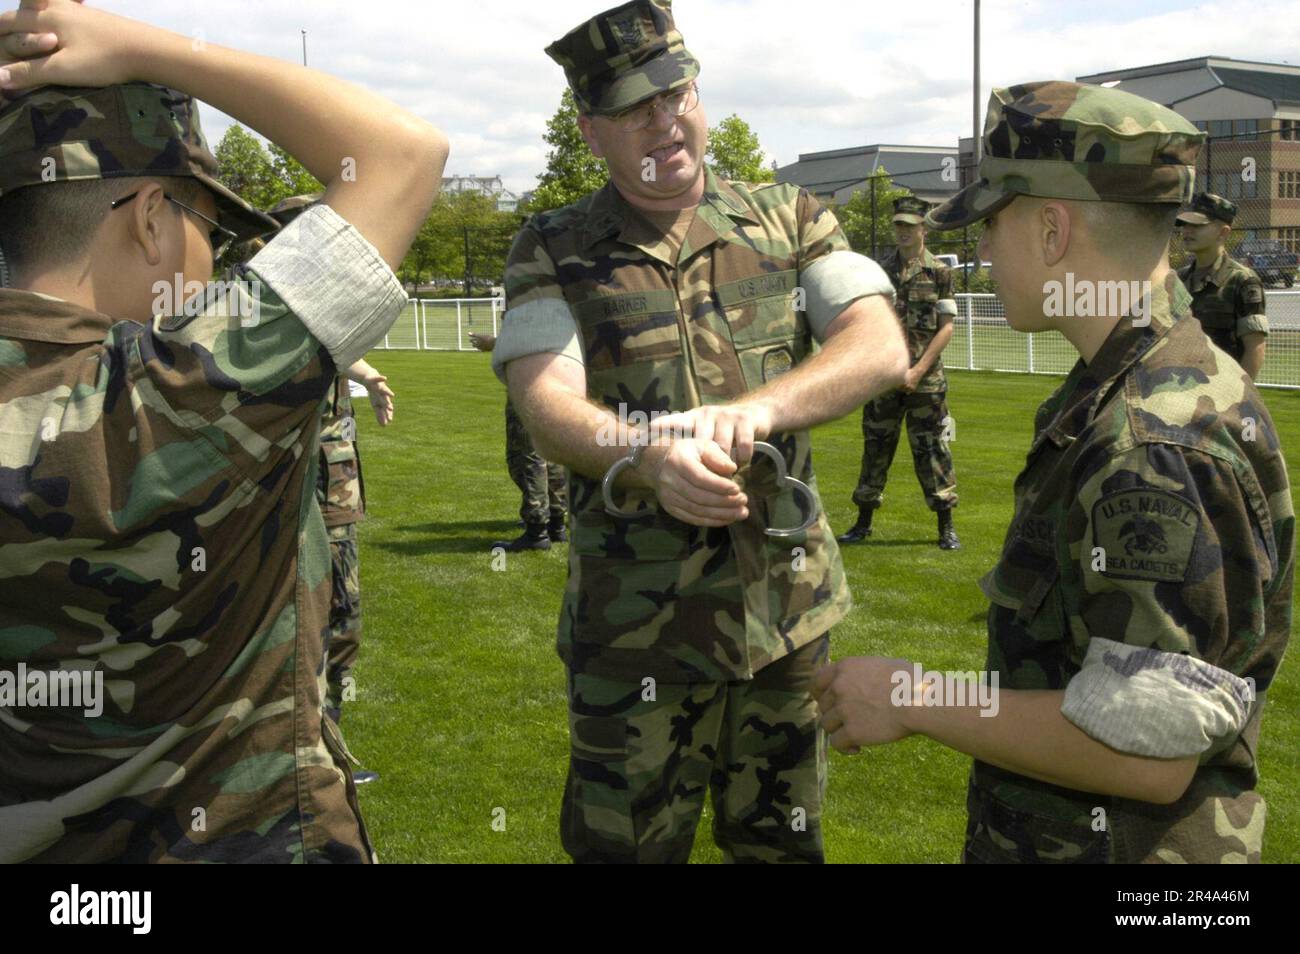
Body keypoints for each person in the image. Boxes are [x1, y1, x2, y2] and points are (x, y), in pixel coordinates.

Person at [0, 0, 447, 862]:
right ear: (150, 217)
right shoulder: (182, 392)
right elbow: (399, 153)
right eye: (208, 227)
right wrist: (142, 45)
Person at [814, 81, 1293, 863]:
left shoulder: (1149, 437)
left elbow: (1147, 748)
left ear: (1049, 228)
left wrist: (912, 697)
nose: (985, 251)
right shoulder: (1137, 382)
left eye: (991, 224)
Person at [493, 0, 907, 863]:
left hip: (785, 620)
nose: (664, 118)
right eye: (634, 108)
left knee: (783, 849)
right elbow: (546, 402)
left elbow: (878, 345)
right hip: (636, 631)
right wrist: (645, 455)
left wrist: (759, 409)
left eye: (676, 91)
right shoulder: (552, 247)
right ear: (591, 131)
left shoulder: (789, 216)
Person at [268, 195, 394, 787]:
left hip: (336, 503)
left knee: (344, 625)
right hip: (299, 507)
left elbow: (334, 341)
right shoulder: (265, 319)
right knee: (304, 628)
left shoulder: (315, 317)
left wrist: (365, 373)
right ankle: (303, 757)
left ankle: (327, 749)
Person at [839, 195, 960, 549]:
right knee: (875, 448)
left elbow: (947, 327)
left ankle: (945, 527)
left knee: (933, 452)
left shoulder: (939, 271)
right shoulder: (879, 271)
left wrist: (918, 370)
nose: (903, 231)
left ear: (924, 228)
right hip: (883, 379)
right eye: (898, 225)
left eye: (910, 225)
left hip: (926, 382)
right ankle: (862, 523)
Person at [469, 331, 569, 551]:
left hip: (531, 380)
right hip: (555, 377)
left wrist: (494, 343)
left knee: (526, 457)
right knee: (549, 454)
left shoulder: (535, 299)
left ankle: (537, 530)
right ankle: (556, 523)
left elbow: (530, 338)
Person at [1176, 192, 1267, 380]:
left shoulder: (1242, 281)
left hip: (1223, 394)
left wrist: (1241, 397)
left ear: (1223, 232)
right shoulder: (1178, 279)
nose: (1187, 230)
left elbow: (1254, 347)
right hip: (1182, 390)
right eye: (1185, 224)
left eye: (1197, 225)